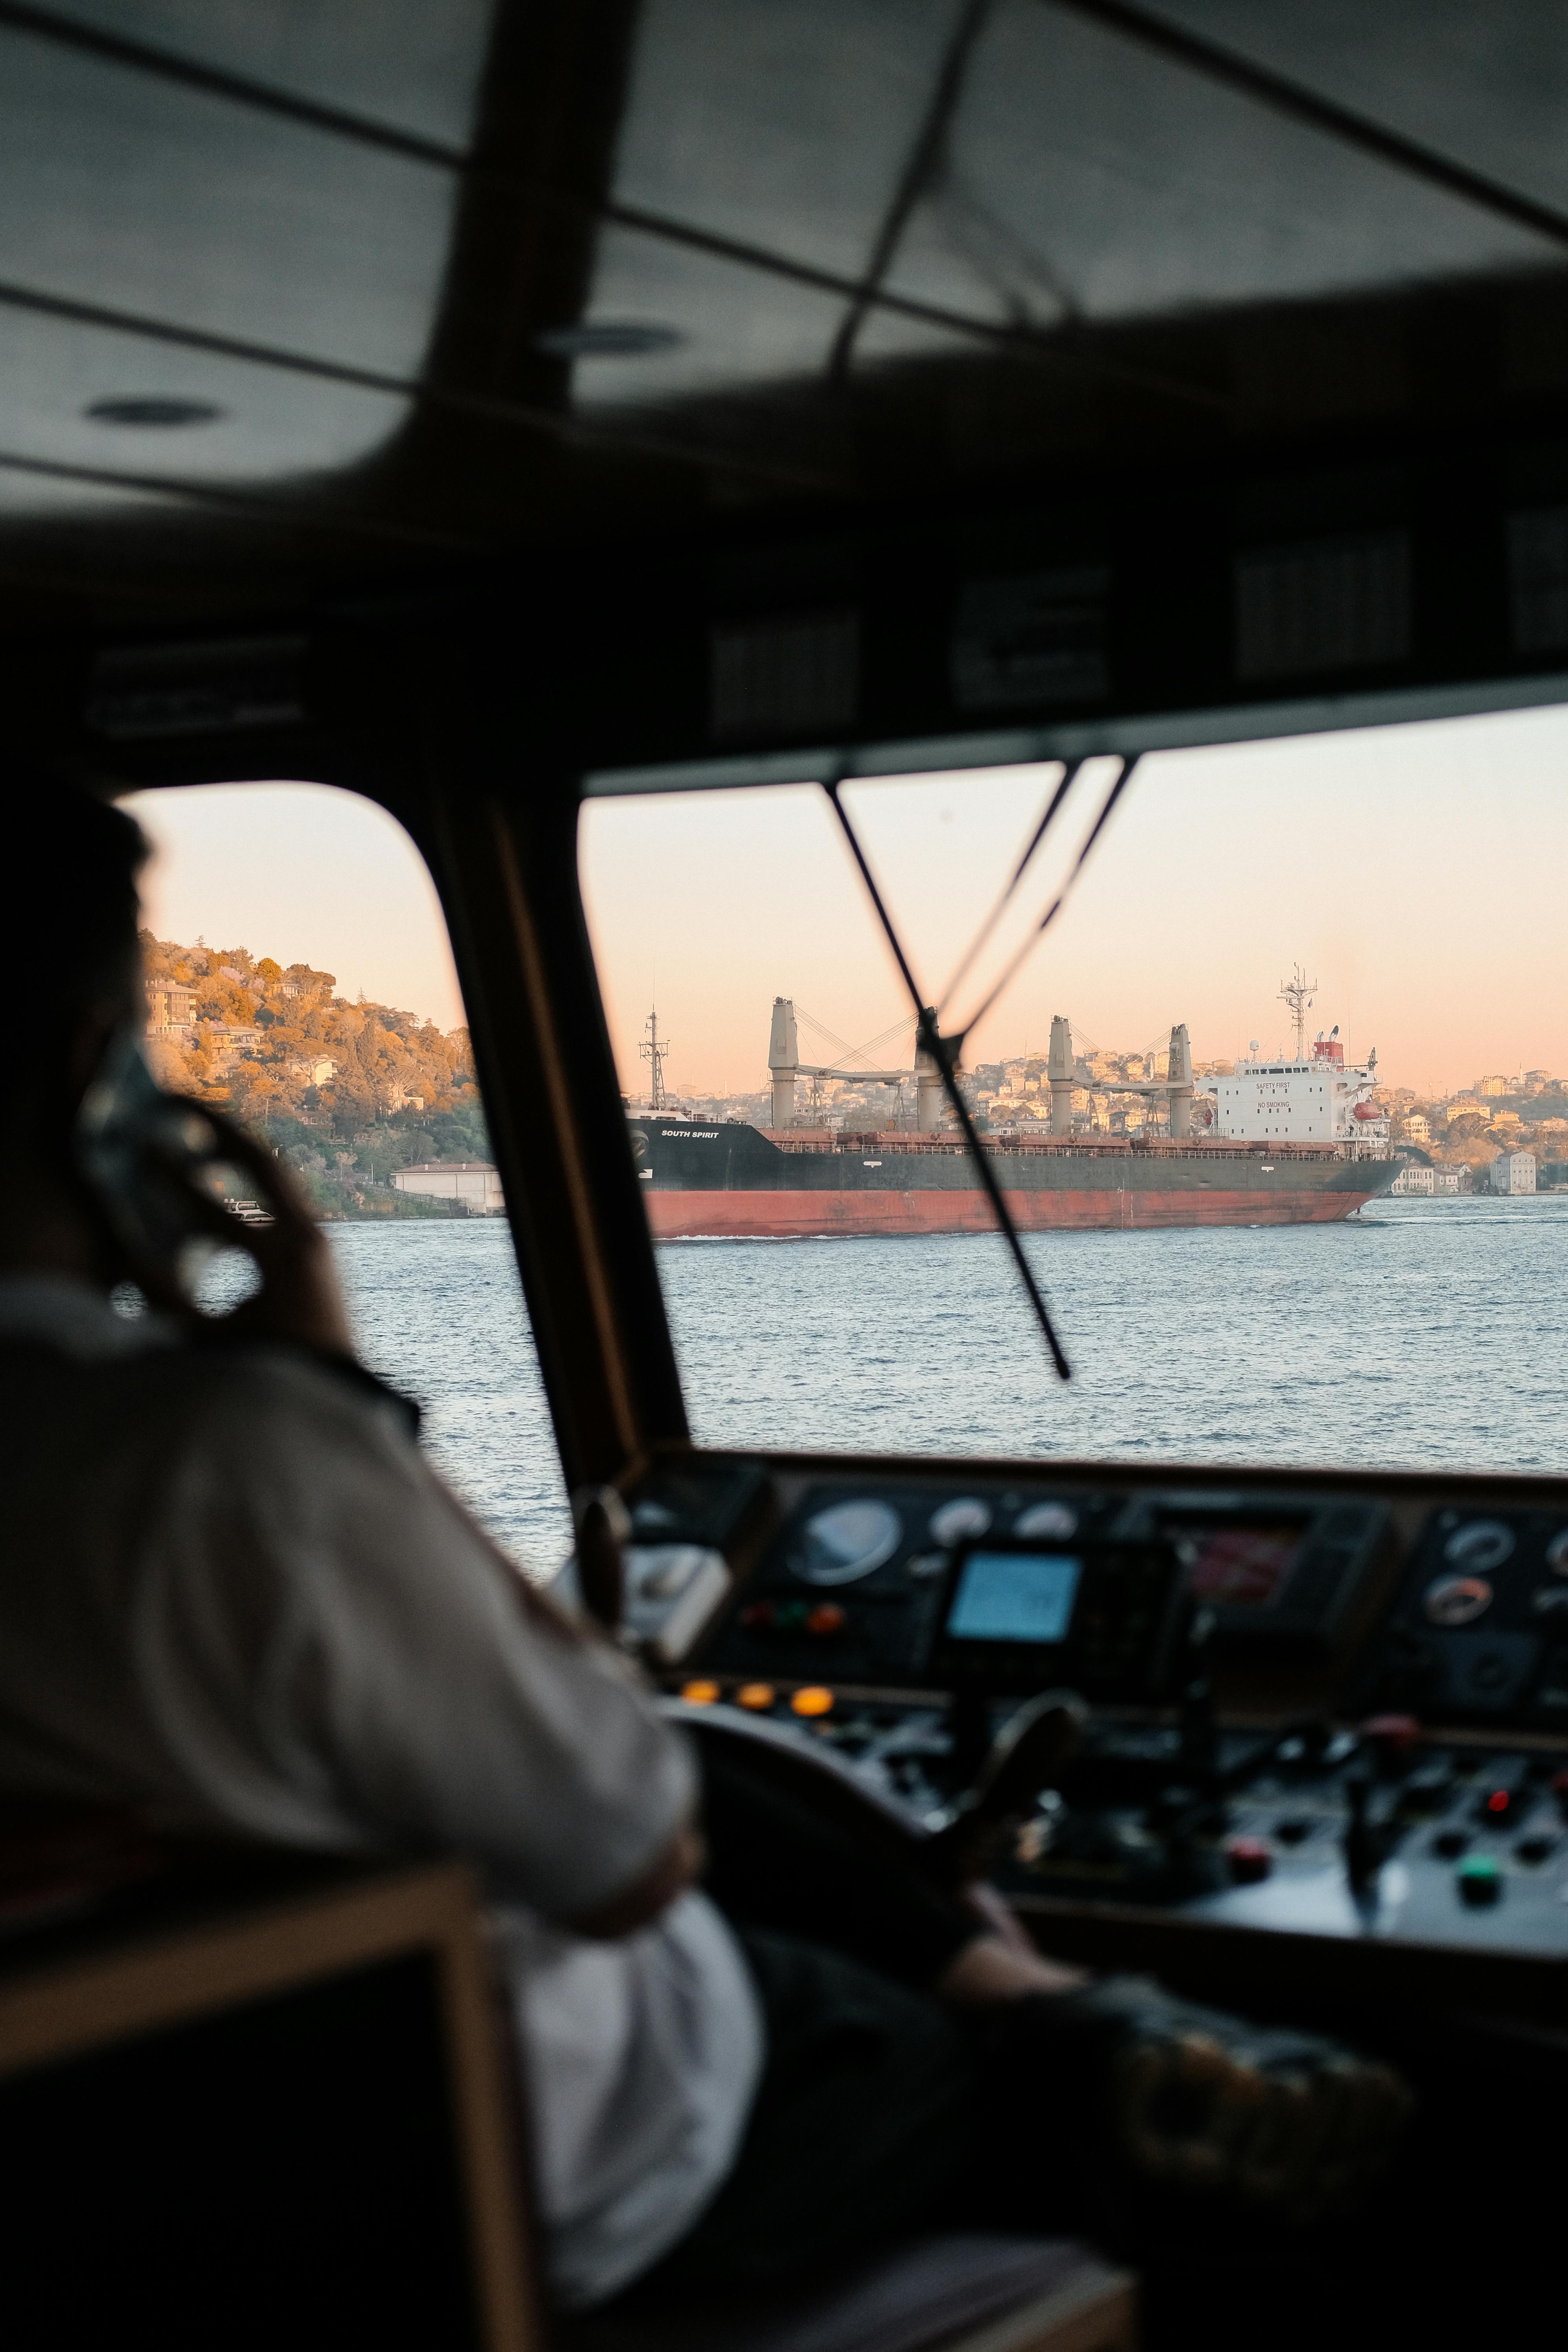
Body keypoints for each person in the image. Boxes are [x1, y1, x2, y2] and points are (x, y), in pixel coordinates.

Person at [0, 791, 1408, 2316]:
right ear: (94, 1076)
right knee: (737, 1811)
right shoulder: (230, 1451)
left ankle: (1072, 2016)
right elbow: (630, 1853)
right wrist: (327, 1396)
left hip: (123, 2192)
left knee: (722, 1756)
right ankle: (1090, 2049)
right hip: (528, 2167)